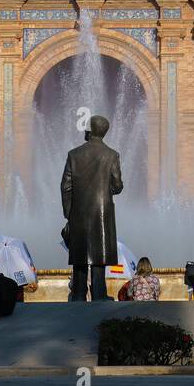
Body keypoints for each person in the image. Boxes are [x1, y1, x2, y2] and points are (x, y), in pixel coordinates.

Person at [61, 113, 123, 303]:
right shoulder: (112, 155)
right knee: (99, 256)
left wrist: (68, 214)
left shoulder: (74, 154)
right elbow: (118, 185)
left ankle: (78, 294)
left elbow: (66, 186)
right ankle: (99, 294)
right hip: (102, 213)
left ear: (90, 131)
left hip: (79, 214)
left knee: (80, 257)